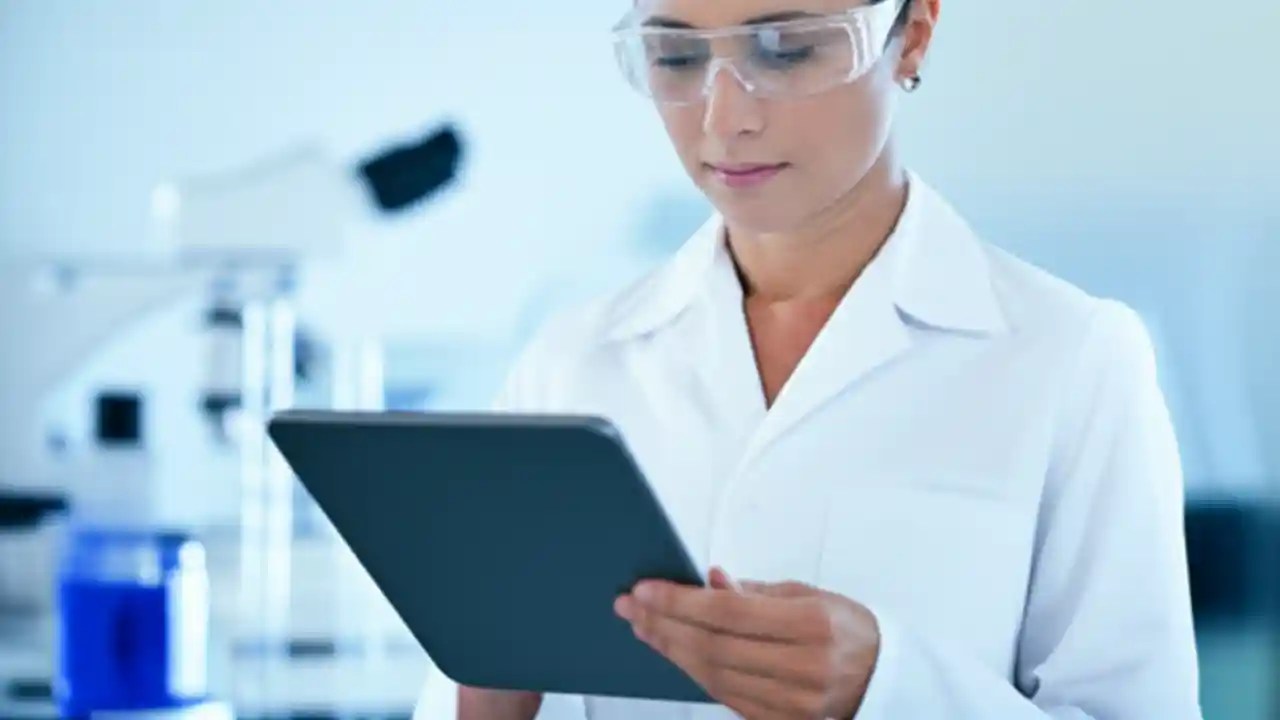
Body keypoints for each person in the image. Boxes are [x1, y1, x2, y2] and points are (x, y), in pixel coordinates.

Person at [419, 0, 1203, 717]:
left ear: (913, 35)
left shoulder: (1072, 360)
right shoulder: (573, 364)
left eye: (786, 49)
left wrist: (889, 686)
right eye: (677, 58)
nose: (723, 121)